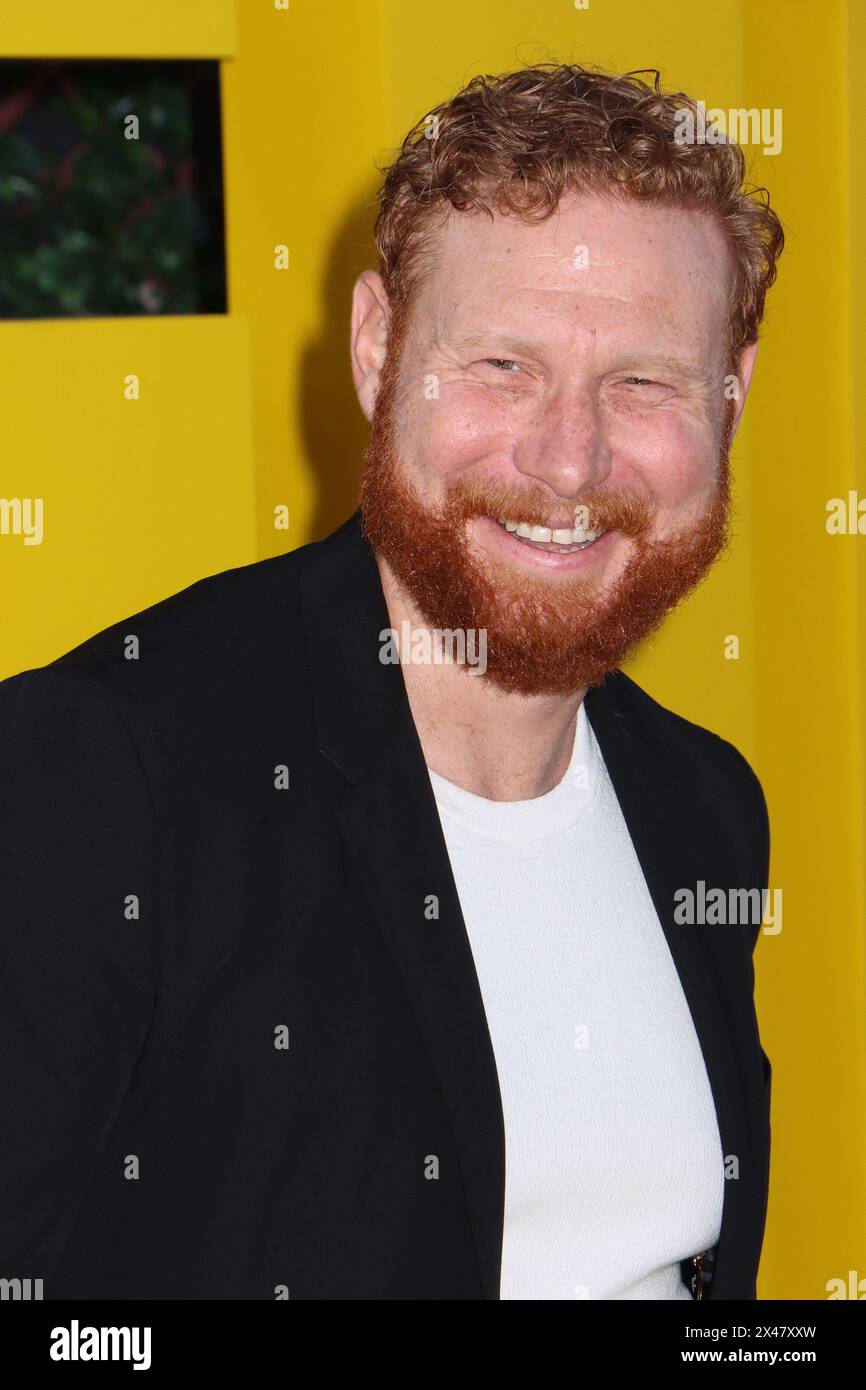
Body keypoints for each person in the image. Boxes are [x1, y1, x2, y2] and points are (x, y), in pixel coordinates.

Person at [0, 63, 781, 1300]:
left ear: (728, 398)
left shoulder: (706, 804)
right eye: (500, 366)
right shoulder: (103, 769)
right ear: (378, 349)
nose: (566, 458)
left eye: (641, 382)